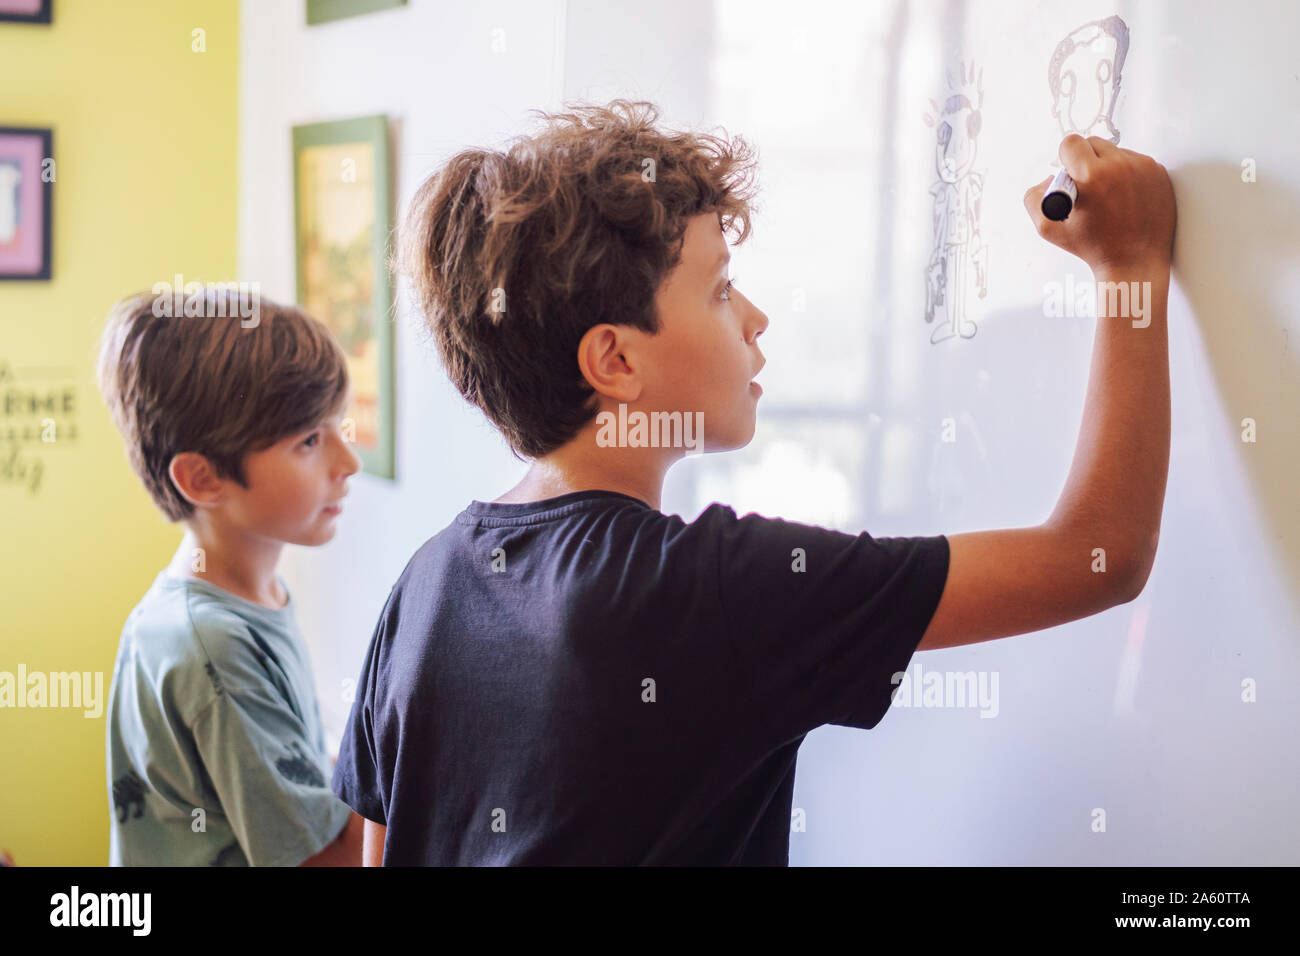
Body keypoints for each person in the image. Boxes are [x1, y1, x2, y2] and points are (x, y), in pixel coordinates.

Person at [332, 100, 1176, 865]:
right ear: (616, 361)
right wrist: (1131, 270)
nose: (755, 316)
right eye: (721, 288)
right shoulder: (712, 590)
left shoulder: (426, 580)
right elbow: (1099, 557)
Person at [96, 288, 365, 865]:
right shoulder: (211, 644)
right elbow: (328, 862)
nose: (348, 463)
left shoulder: (252, 597)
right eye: (310, 441)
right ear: (203, 479)